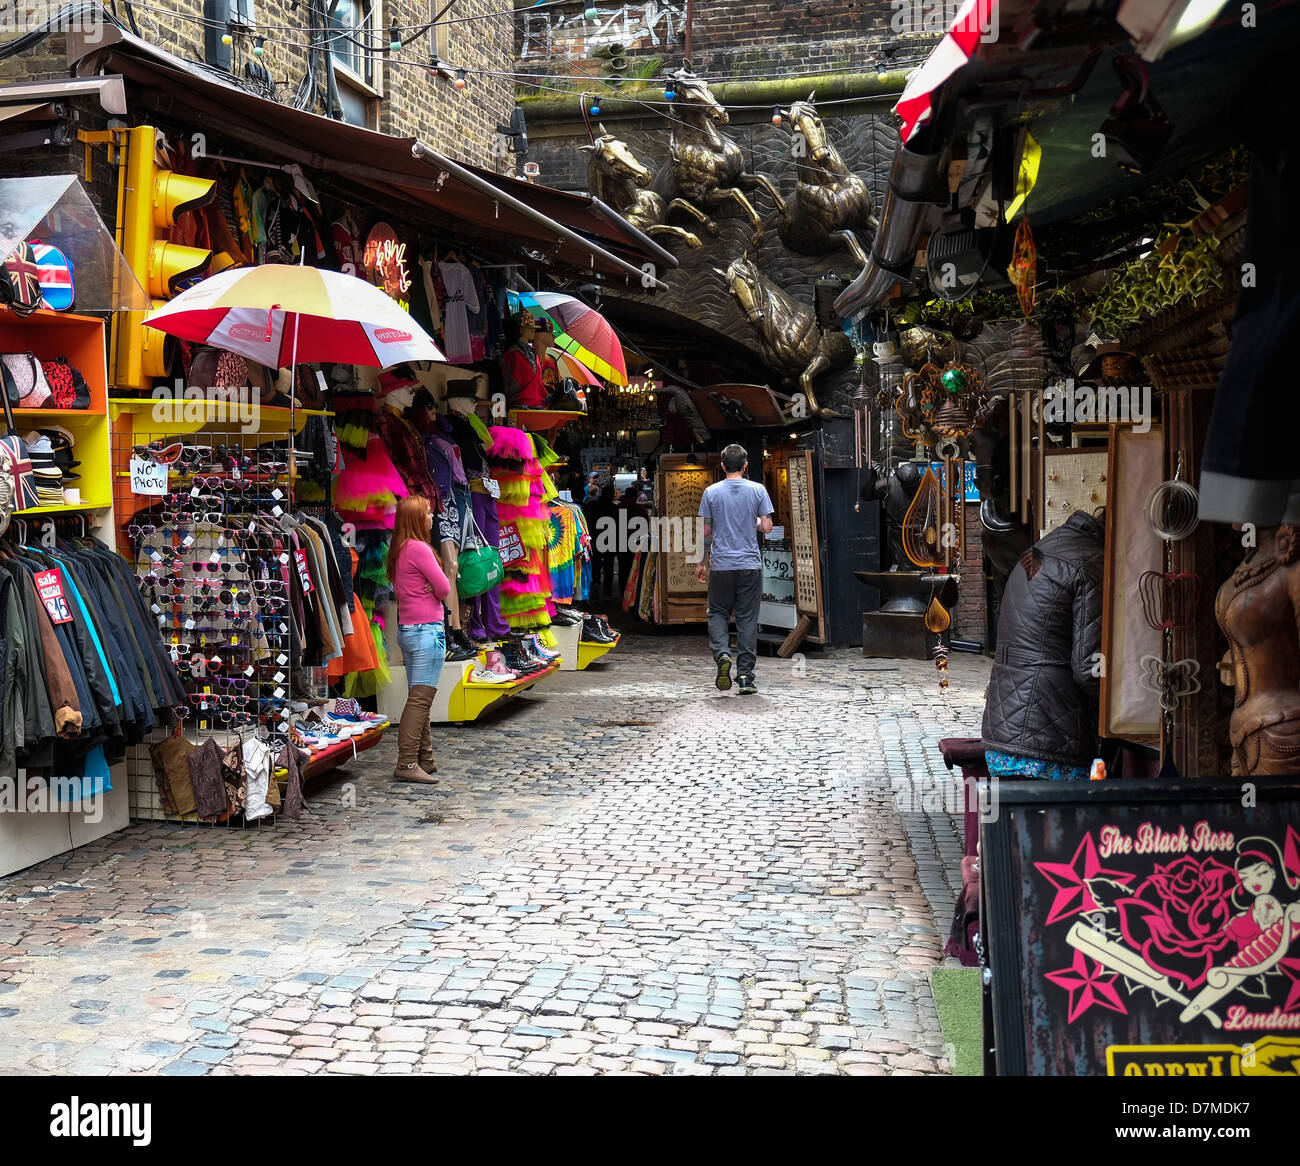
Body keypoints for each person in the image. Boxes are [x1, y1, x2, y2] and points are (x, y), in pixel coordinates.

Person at [981, 509, 1104, 779]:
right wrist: (1122, 701)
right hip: (1049, 739)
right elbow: (1091, 668)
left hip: (1004, 729)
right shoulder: (1093, 562)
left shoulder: (1042, 550)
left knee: (1017, 820)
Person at [697, 443, 774, 695]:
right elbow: (767, 527)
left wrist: (700, 561)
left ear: (722, 466)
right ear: (745, 465)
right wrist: (752, 520)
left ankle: (722, 654)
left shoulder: (710, 492)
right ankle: (744, 677)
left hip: (720, 565)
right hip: (749, 565)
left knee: (717, 612)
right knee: (747, 619)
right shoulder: (758, 490)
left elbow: (706, 532)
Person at [387, 494, 451, 784]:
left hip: (409, 631)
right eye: (427, 513)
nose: (432, 517)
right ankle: (408, 762)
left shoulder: (399, 549)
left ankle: (425, 758)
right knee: (420, 701)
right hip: (427, 631)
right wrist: (435, 587)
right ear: (416, 519)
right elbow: (444, 587)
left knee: (417, 696)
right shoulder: (419, 549)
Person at [584, 482, 618, 601]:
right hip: (610, 541)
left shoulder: (593, 505)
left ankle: (595, 587)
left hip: (595, 539)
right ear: (611, 495)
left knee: (596, 565)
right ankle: (607, 592)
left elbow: (588, 522)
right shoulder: (614, 508)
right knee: (608, 567)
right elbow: (617, 526)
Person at [616, 485, 649, 599]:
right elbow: (646, 526)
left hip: (620, 541)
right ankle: (633, 596)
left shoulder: (618, 507)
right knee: (635, 567)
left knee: (623, 568)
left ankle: (622, 594)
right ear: (635, 496)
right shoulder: (640, 510)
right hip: (636, 543)